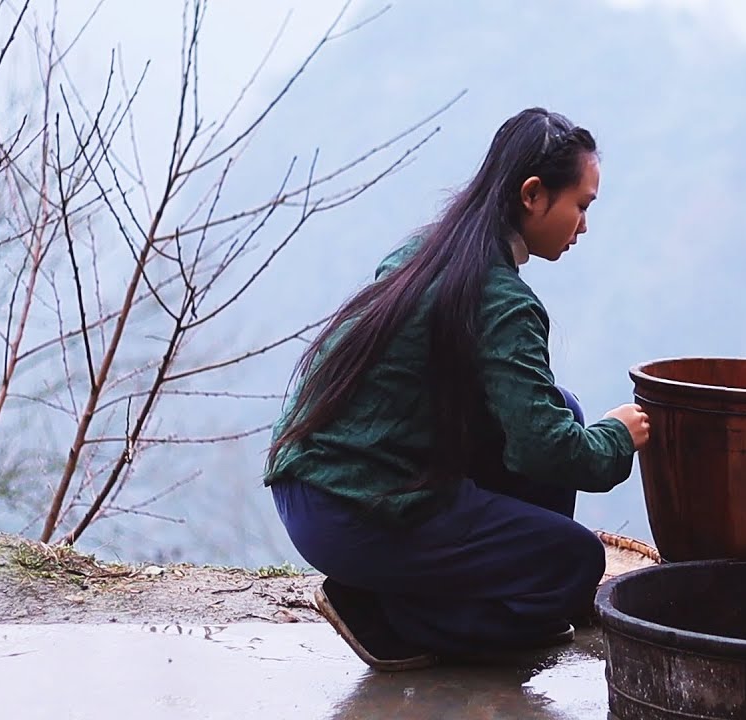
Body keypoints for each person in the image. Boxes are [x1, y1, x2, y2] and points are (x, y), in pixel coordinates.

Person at [264, 107, 650, 672]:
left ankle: (465, 580)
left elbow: (532, 426)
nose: (584, 225)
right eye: (582, 206)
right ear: (534, 194)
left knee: (559, 406)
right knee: (574, 564)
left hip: (313, 486)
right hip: (355, 510)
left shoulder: (426, 251)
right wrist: (619, 437)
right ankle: (384, 616)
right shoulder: (502, 302)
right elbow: (546, 450)